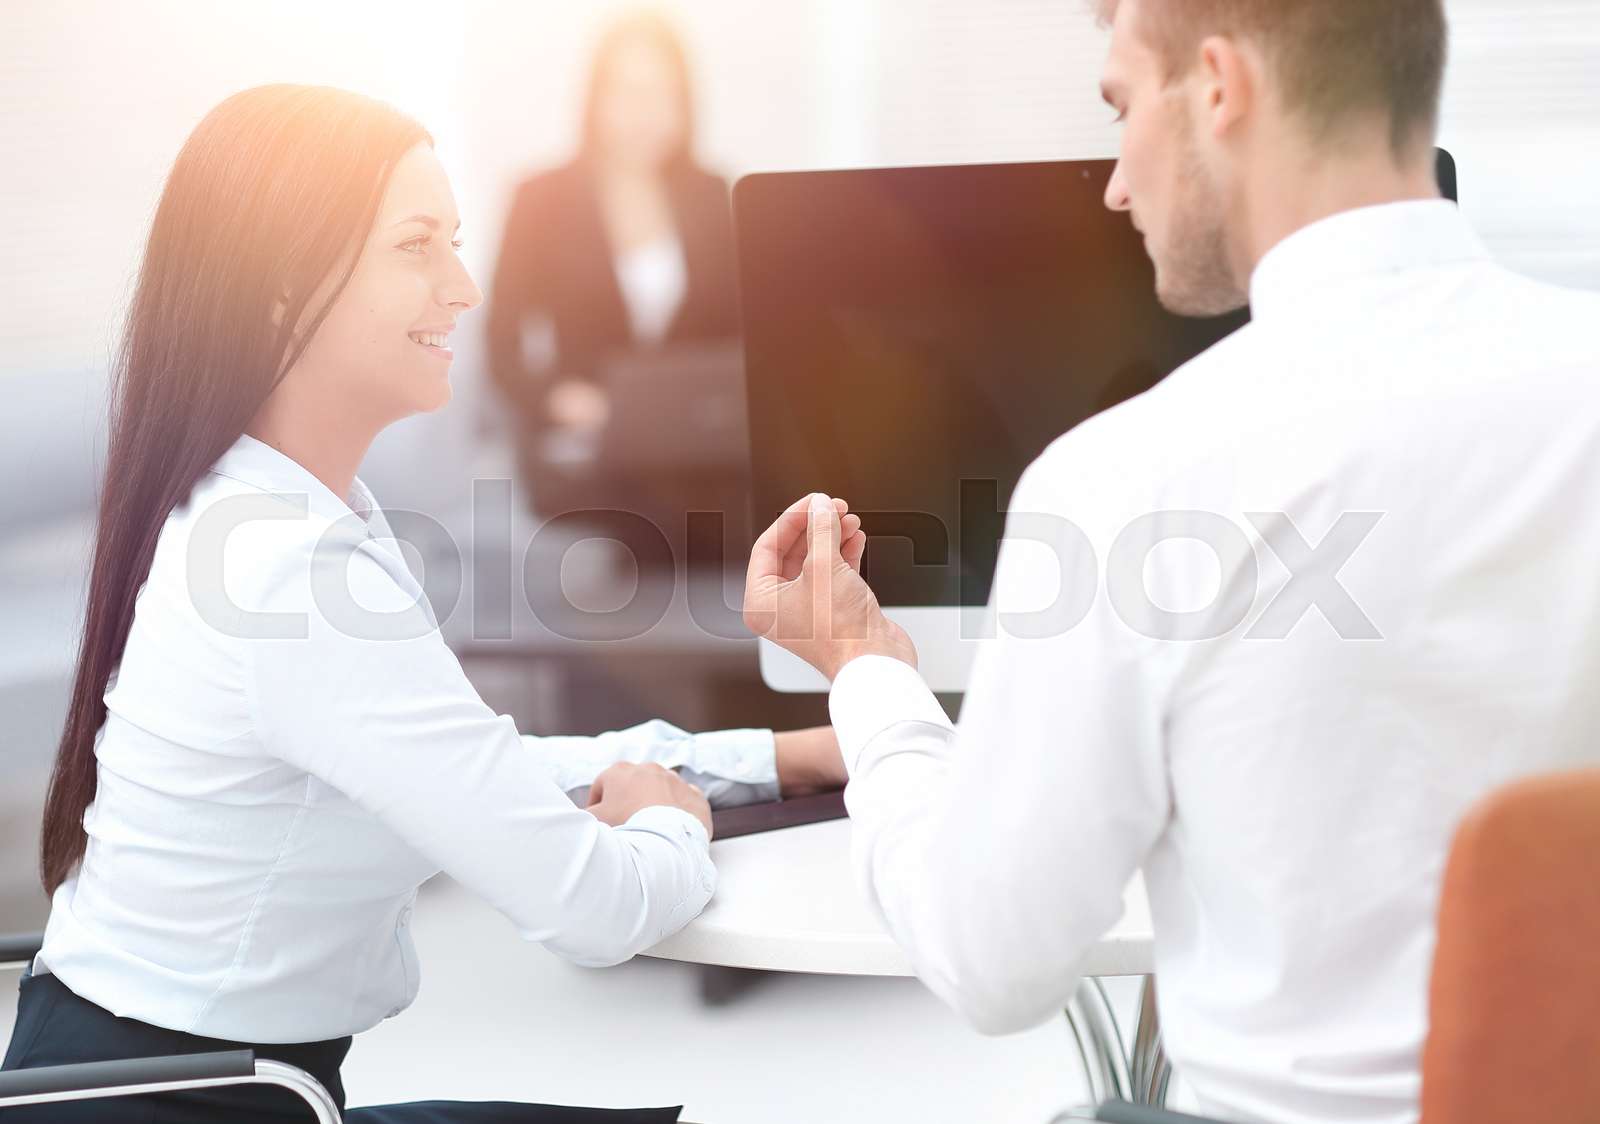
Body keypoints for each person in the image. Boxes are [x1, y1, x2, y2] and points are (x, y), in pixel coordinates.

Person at [741, 2, 1600, 1122]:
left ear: (1216, 87)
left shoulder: (1132, 480)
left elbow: (991, 957)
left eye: (1119, 104)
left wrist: (860, 659)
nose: (1112, 183)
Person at [0, 84, 854, 1123]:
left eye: (455, 241)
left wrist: (770, 756)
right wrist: (669, 826)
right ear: (282, 287)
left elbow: (467, 763)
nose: (463, 287)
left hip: (161, 1078)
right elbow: (591, 905)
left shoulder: (292, 517)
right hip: (172, 1100)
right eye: (417, 246)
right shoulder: (291, 570)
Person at [486, 12, 743, 549]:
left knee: (740, 506)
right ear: (596, 99)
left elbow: (736, 335)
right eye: (628, 92)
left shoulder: (712, 195)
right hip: (589, 443)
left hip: (693, 444)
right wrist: (560, 398)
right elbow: (501, 345)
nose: (645, 114)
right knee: (649, 515)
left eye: (663, 95)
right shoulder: (541, 198)